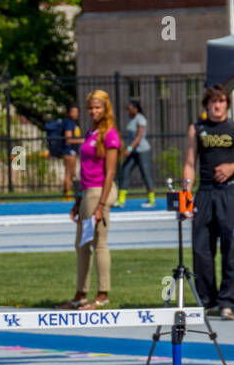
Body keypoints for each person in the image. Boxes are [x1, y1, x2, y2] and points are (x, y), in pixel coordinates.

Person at [184, 85, 234, 319]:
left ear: (227, 104)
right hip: (204, 193)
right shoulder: (197, 129)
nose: (217, 106)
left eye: (222, 101)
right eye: (213, 102)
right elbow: (190, 163)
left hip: (229, 193)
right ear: (206, 105)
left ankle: (228, 302)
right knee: (201, 250)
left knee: (230, 249)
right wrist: (186, 192)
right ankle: (207, 299)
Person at [56, 90, 119, 310]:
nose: (93, 111)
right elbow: (86, 170)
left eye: (98, 107)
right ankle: (80, 295)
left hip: (99, 192)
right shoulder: (91, 131)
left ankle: (102, 294)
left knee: (99, 244)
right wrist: (78, 200)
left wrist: (100, 205)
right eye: (91, 107)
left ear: (106, 108)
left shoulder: (109, 134)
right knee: (82, 245)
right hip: (87, 193)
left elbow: (110, 173)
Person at [118, 99, 155, 208]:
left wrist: (129, 148)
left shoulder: (141, 119)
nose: (128, 111)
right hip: (133, 151)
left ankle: (151, 200)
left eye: (130, 109)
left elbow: (139, 137)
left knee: (145, 173)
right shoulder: (130, 119)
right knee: (124, 172)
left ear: (136, 108)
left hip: (143, 151)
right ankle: (121, 200)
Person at [47, 105, 82, 197]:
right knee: (69, 172)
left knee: (72, 172)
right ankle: (67, 193)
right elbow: (68, 139)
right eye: (73, 111)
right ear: (69, 113)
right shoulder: (69, 123)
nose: (75, 114)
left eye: (77, 112)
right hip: (68, 151)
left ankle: (67, 191)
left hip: (72, 151)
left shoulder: (73, 123)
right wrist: (83, 141)